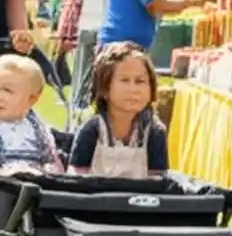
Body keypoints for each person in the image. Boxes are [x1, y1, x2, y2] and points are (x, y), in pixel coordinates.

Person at [68, 42, 168, 179]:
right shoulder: (92, 131)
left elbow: (159, 183)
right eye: (125, 80)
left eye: (140, 81)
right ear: (104, 88)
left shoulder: (154, 133)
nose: (133, 90)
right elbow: (75, 180)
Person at [69, 0, 121, 112]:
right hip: (107, 27)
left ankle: (78, 107)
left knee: (83, 70)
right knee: (104, 72)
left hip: (88, 24)